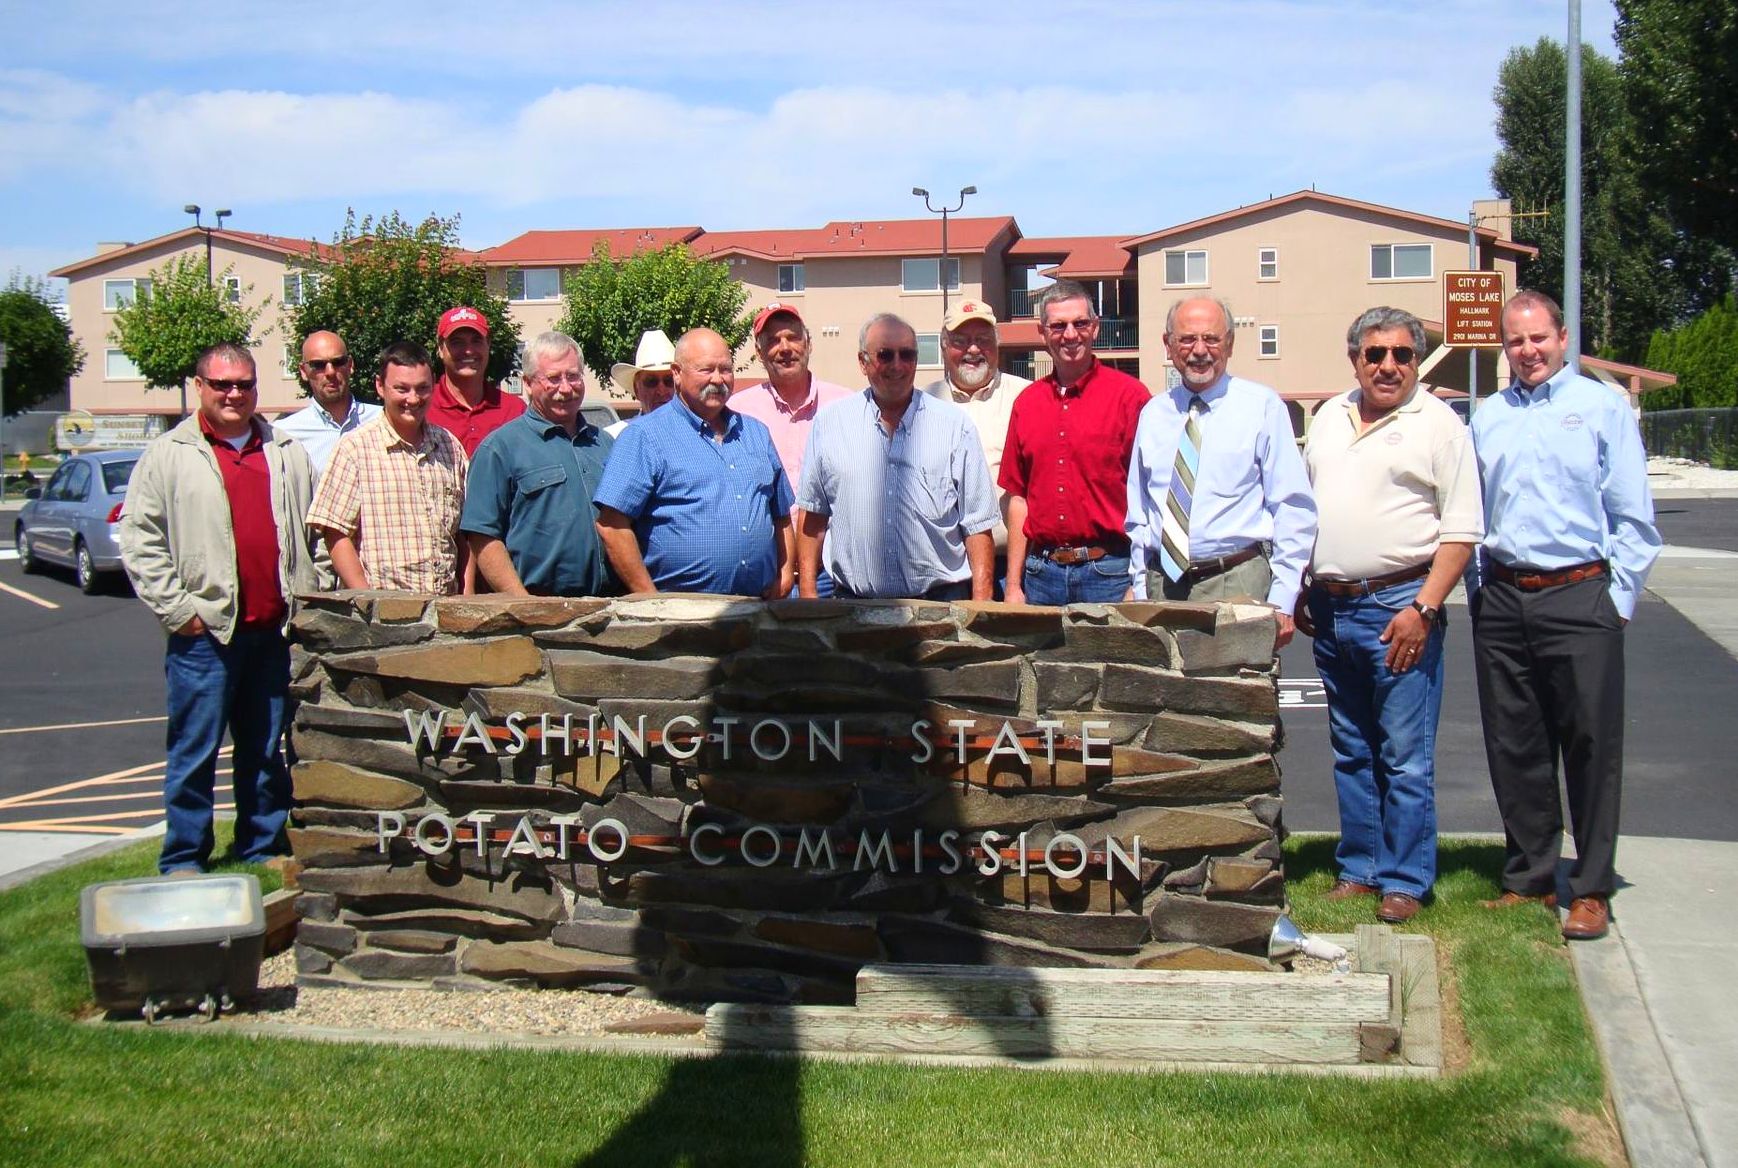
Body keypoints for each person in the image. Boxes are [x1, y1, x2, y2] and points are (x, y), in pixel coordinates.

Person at [1469, 290, 1660, 941]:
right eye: (1516, 342)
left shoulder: (1602, 408)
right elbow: (1475, 513)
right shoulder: (1487, 416)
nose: (1528, 352)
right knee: (1514, 742)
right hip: (1501, 596)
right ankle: (1530, 876)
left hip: (1580, 595)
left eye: (1539, 339)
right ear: (1505, 347)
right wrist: (1479, 590)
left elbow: (1634, 518)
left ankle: (1592, 887)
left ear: (1562, 336)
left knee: (1589, 744)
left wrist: (1617, 601)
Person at [1296, 307, 1484, 924]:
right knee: (1351, 748)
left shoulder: (1439, 425)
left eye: (1402, 354)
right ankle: (1360, 867)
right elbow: (1310, 509)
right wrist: (1305, 581)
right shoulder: (1328, 417)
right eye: (1375, 353)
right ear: (1354, 358)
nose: (1388, 365)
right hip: (1332, 607)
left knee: (1404, 755)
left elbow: (1461, 531)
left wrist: (1424, 608)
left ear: (1416, 360)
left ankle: (1405, 878)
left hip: (1399, 607)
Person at [118, 342, 317, 874]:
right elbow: (140, 540)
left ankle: (260, 844)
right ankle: (184, 856)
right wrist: (178, 610)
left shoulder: (284, 449)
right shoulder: (169, 455)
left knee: (263, 750)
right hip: (204, 637)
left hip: (273, 633)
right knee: (194, 754)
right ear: (200, 386)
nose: (235, 393)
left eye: (245, 384)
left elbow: (312, 533)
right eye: (223, 384)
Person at [1126, 296, 1315, 646]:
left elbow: (1292, 506)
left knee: (1240, 697)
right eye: (1187, 339)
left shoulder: (1262, 406)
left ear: (1229, 343)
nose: (1200, 350)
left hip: (1237, 581)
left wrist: (1283, 598)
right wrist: (1140, 586)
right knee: (1163, 698)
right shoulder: (1153, 414)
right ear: (1168, 345)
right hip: (1162, 586)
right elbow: (1140, 513)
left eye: (1211, 339)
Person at [796, 313, 997, 601]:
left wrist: (981, 603)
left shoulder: (954, 426)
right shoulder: (830, 424)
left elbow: (977, 523)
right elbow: (814, 515)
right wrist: (807, 595)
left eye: (907, 355)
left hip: (940, 601)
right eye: (885, 355)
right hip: (854, 605)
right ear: (863, 362)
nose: (897, 365)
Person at [593, 328, 794, 596]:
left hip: (760, 608)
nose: (718, 379)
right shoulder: (644, 437)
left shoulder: (756, 433)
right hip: (681, 616)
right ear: (678, 373)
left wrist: (785, 575)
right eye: (706, 369)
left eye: (725, 369)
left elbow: (781, 515)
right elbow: (612, 525)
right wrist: (649, 599)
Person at [1000, 280, 1151, 606]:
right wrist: (1013, 585)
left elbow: (1150, 496)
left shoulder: (1130, 397)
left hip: (1109, 573)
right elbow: (1018, 499)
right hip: (1042, 575)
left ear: (1095, 327)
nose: (1070, 334)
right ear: (1043, 333)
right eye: (1058, 325)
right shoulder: (1026, 403)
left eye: (1080, 323)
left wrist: (1139, 581)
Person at [307, 341, 470, 595]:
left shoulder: (450, 447)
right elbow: (335, 533)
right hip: (382, 614)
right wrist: (368, 598)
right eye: (402, 389)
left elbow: (464, 533)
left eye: (422, 388)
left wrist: (466, 596)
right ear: (380, 387)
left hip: (445, 608)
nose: (413, 399)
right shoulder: (355, 449)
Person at [462, 331, 614, 597]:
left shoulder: (605, 445)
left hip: (611, 606)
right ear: (528, 383)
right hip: (539, 612)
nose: (566, 388)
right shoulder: (499, 449)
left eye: (573, 376)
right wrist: (523, 604)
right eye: (553, 379)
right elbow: (482, 537)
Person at [729, 303, 854, 596]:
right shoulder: (737, 411)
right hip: (768, 576)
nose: (784, 348)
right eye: (772, 340)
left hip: (834, 575)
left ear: (808, 343)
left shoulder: (845, 405)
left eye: (792, 337)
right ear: (759, 353)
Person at [921, 299, 1031, 568]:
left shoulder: (1027, 398)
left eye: (982, 340)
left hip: (1015, 566)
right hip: (947, 569)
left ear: (996, 344)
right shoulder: (921, 404)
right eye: (960, 340)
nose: (973, 349)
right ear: (944, 346)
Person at [273, 330, 381, 473]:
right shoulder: (285, 434)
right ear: (303, 371)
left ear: (350, 365)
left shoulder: (383, 420)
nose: (330, 372)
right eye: (318, 365)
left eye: (338, 362)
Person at [425, 305, 524, 455]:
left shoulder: (514, 410)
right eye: (457, 342)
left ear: (488, 344)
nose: (468, 350)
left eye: (476, 341)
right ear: (440, 348)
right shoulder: (423, 406)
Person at [605, 329, 678, 438]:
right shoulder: (616, 437)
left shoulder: (699, 434)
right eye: (651, 382)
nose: (661, 391)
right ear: (636, 388)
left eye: (669, 381)